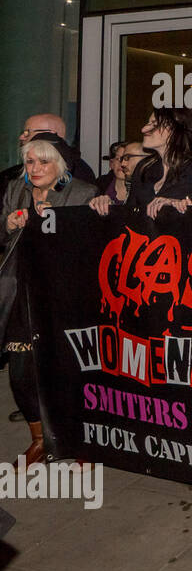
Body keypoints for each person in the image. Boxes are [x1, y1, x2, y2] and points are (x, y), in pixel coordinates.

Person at [2, 135, 96, 464]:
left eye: (43, 161)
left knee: (66, 370)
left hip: (61, 294)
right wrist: (9, 223)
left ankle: (79, 441)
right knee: (22, 374)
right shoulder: (17, 189)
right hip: (20, 289)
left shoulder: (82, 193)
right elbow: (2, 233)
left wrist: (51, 223)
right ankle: (40, 439)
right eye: (30, 162)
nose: (36, 168)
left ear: (60, 165)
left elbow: (87, 248)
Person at [89, 106, 192, 218]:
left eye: (154, 124)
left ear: (176, 129)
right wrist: (109, 204)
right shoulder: (144, 168)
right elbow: (131, 215)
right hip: (150, 247)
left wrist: (179, 207)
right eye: (148, 123)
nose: (144, 129)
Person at [0, 113, 95, 201]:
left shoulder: (81, 176)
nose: (21, 137)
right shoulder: (13, 183)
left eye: (27, 132)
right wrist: (17, 216)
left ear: (50, 134)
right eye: (30, 161)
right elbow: (13, 212)